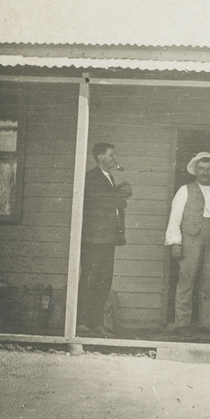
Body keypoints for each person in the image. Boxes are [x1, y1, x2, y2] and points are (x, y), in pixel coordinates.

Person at [164, 152, 210, 337]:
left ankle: (205, 323)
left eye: (209, 169)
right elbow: (175, 217)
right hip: (191, 241)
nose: (205, 172)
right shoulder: (185, 190)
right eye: (201, 169)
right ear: (195, 171)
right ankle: (181, 324)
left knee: (208, 283)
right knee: (186, 281)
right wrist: (175, 242)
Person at [77, 142, 131, 338]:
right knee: (90, 279)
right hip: (94, 238)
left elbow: (115, 202)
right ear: (100, 157)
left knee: (104, 281)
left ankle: (95, 322)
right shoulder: (91, 177)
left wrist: (120, 194)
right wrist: (122, 193)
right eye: (111, 155)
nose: (114, 159)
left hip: (108, 238)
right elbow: (103, 201)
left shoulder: (109, 178)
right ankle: (81, 321)